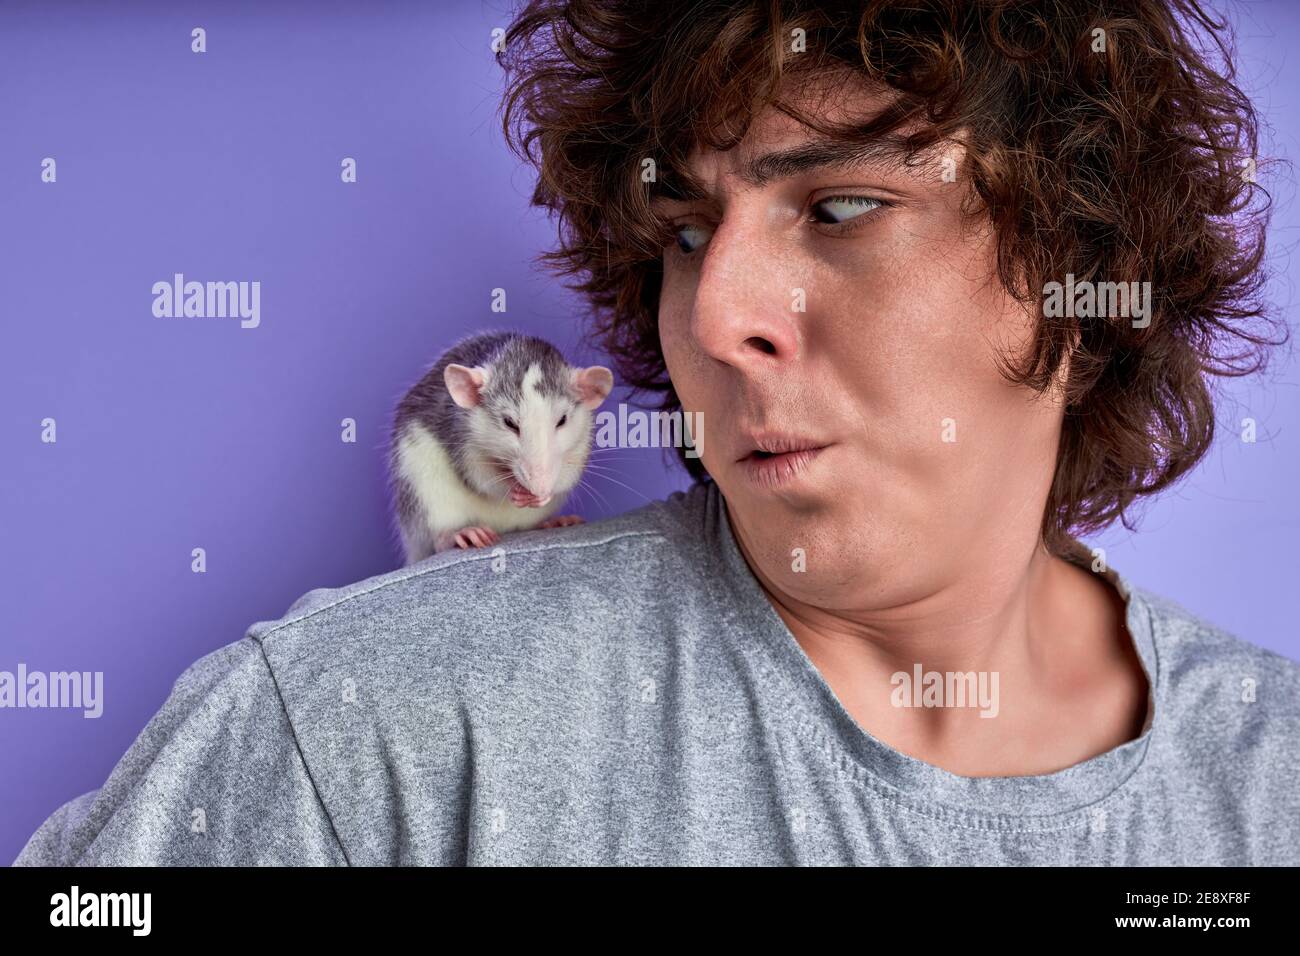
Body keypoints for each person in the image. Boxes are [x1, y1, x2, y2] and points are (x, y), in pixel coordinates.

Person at [15, 0, 1298, 865]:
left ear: (1078, 284)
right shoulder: (374, 727)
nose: (718, 311)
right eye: (685, 233)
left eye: (841, 208)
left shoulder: (1268, 778)